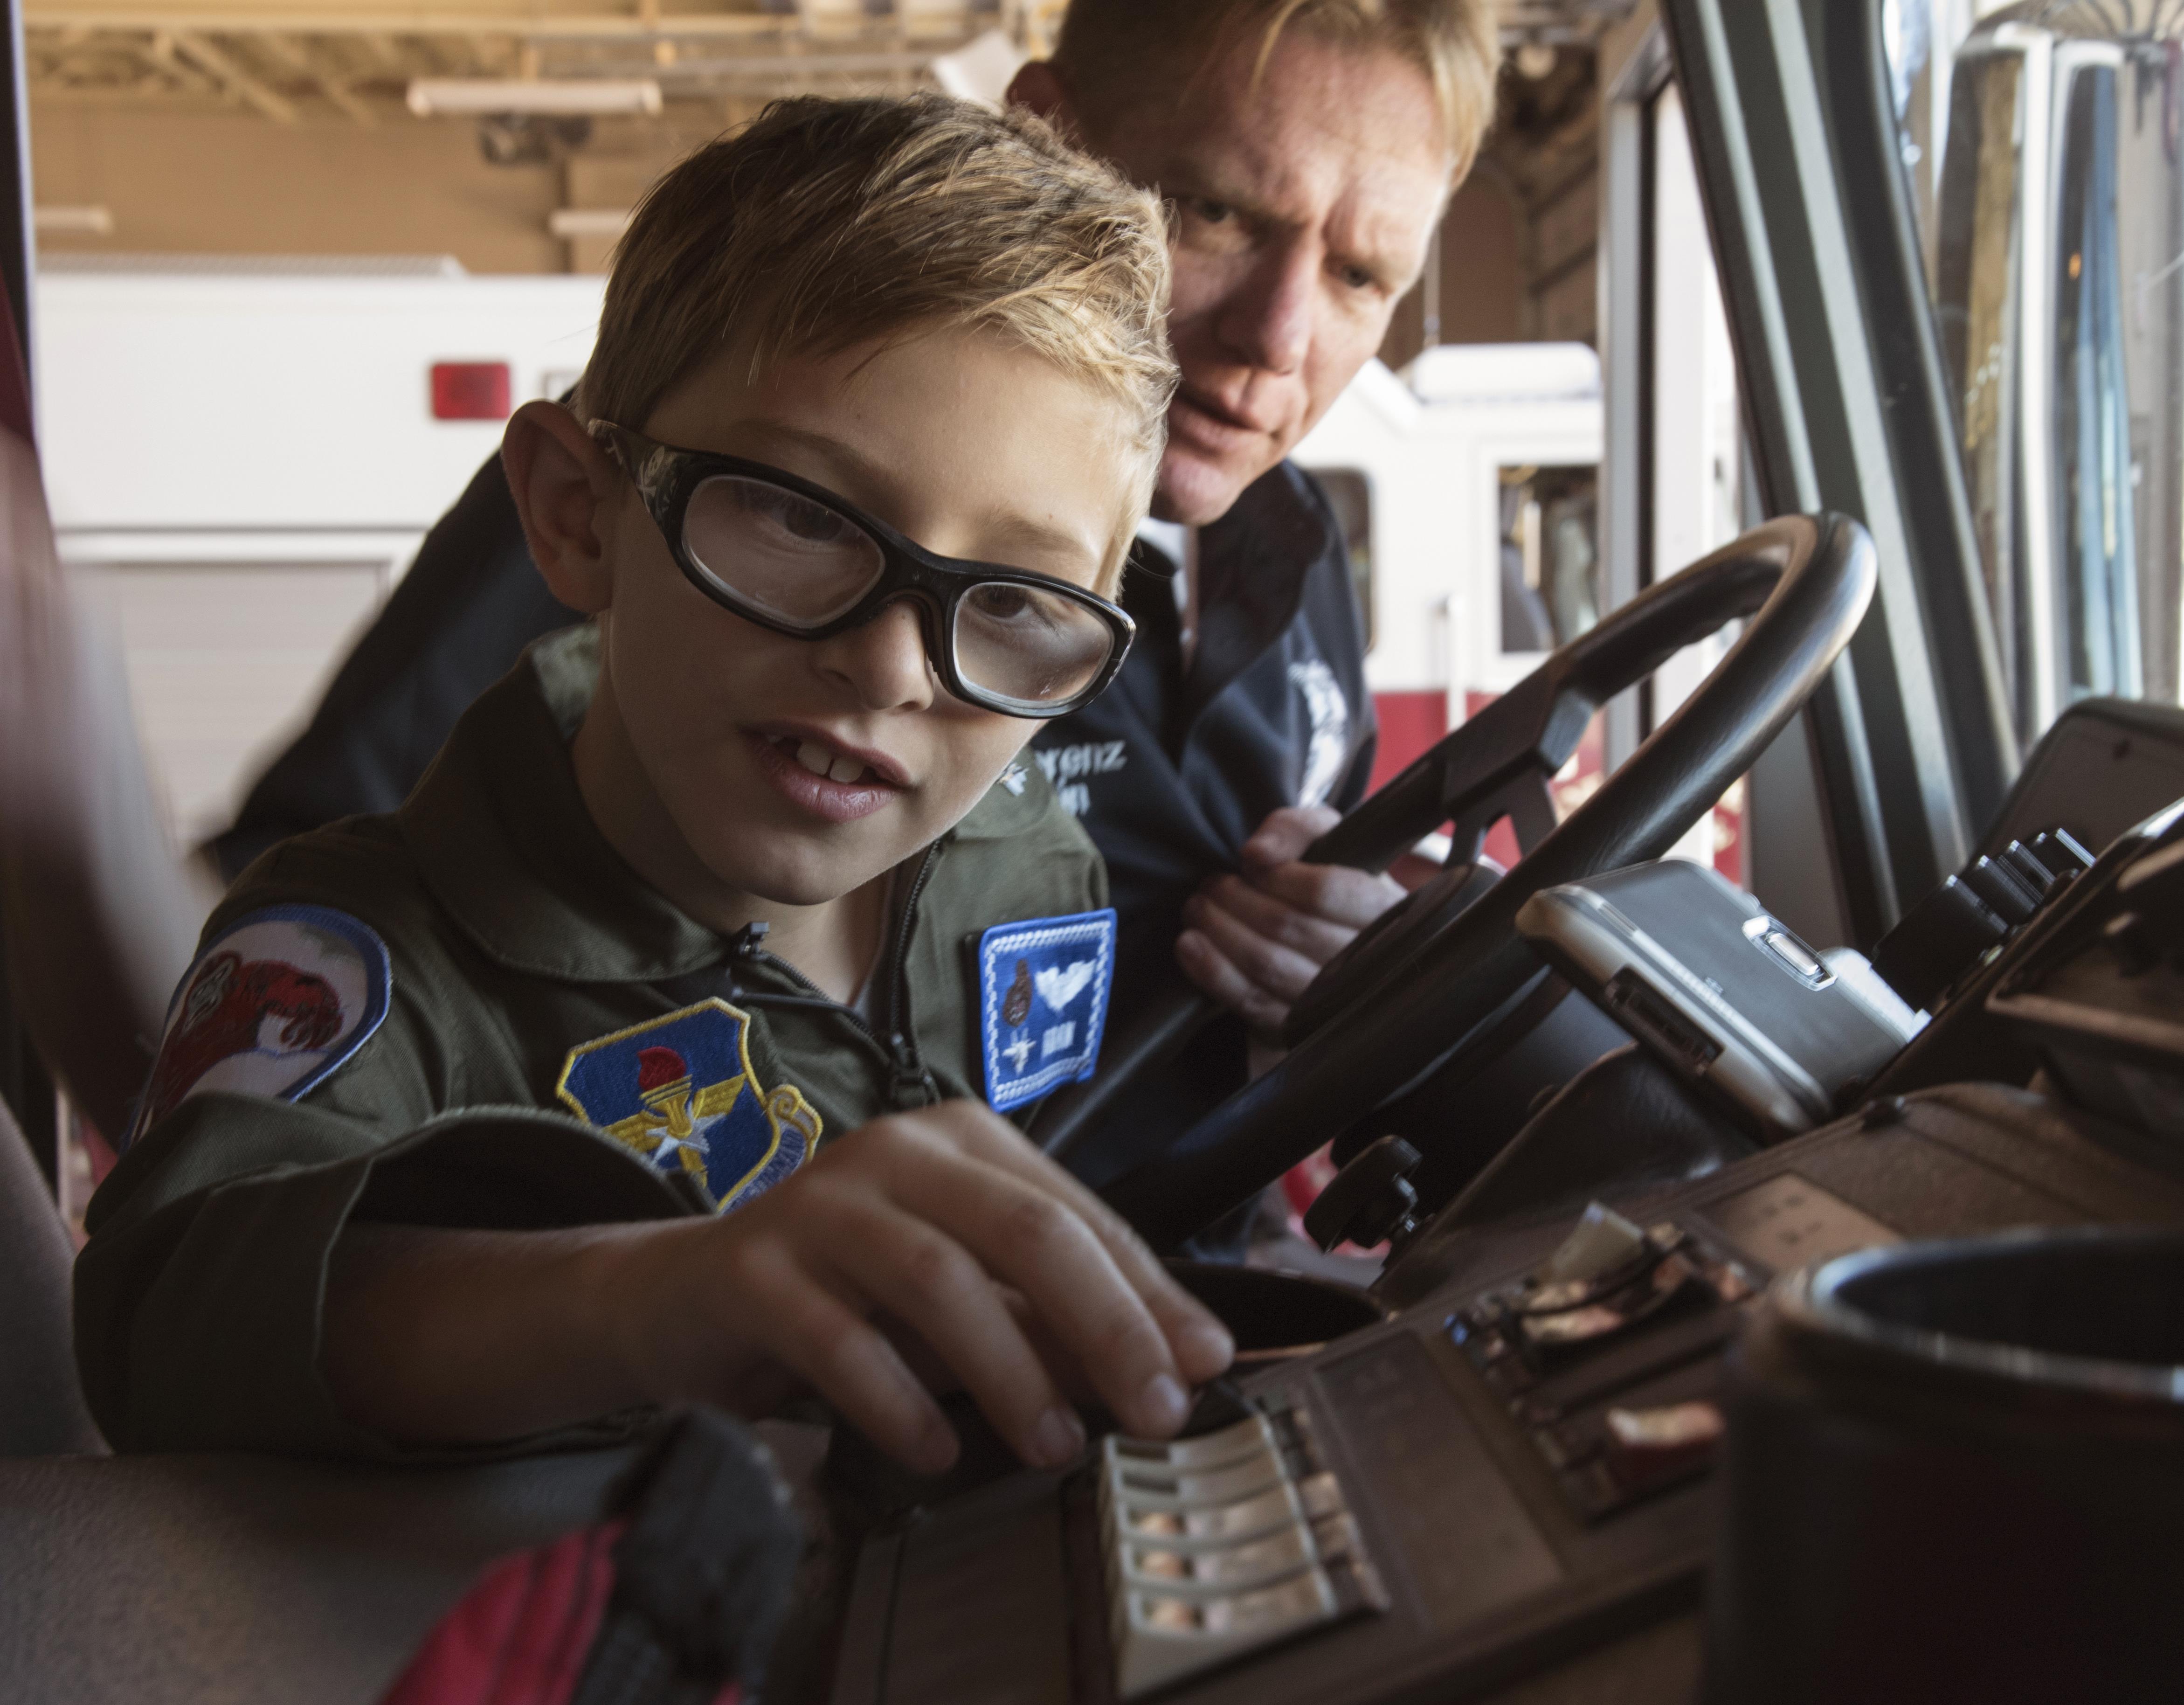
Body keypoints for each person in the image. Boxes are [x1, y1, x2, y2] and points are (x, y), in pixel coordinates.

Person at [71, 95, 1233, 1473]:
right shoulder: (365, 956)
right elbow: (160, 1319)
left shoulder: (1027, 860)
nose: (889, 668)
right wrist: (639, 1299)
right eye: (799, 514)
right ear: (580, 515)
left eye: (1018, 600)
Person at [205, 0, 1501, 1185]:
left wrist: (1353, 966)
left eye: (1360, 276)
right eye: (1214, 212)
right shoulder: (676, 477)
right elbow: (315, 968)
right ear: (1048, 137)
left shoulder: (1301, 548)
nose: (1279, 336)